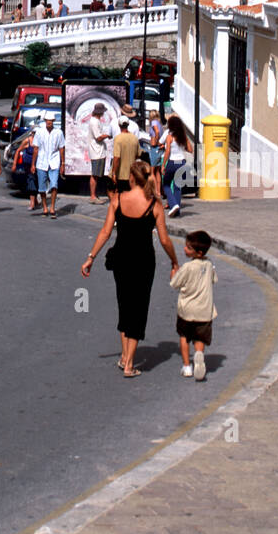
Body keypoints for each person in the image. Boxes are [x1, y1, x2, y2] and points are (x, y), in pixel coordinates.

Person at [81, 160, 180, 377]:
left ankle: (125, 357)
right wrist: (174, 261)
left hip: (121, 259)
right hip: (144, 261)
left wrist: (91, 257)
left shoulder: (117, 199)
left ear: (132, 178)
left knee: (124, 305)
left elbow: (105, 233)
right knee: (138, 308)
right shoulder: (154, 205)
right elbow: (164, 240)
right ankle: (129, 365)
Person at [170, 230, 217, 380]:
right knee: (200, 338)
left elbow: (175, 283)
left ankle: (186, 366)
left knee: (184, 337)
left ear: (197, 252)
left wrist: (174, 273)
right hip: (204, 310)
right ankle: (199, 355)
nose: (185, 249)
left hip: (187, 310)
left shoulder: (187, 267)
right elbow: (214, 280)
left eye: (188, 248)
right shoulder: (209, 265)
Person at [31, 112, 65, 218]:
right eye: (47, 120)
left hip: (54, 162)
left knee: (54, 185)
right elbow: (36, 148)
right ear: (45, 121)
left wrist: (63, 163)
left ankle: (52, 207)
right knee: (42, 187)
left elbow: (61, 148)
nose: (49, 122)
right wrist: (33, 164)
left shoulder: (58, 133)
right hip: (41, 162)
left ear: (53, 121)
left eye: (51, 120)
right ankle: (45, 207)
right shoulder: (40, 132)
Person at [161, 113, 194, 217]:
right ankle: (177, 210)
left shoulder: (169, 137)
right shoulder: (183, 137)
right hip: (182, 162)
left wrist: (163, 165)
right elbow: (190, 150)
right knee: (177, 187)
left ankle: (173, 204)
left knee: (166, 184)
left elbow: (167, 152)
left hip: (172, 162)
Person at [86, 102, 111, 202]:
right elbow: (98, 137)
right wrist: (107, 135)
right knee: (95, 174)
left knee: (96, 174)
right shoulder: (94, 122)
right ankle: (93, 196)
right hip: (96, 151)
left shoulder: (95, 121)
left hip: (98, 150)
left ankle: (94, 195)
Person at [113, 120, 140, 194]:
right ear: (128, 125)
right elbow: (138, 154)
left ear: (119, 125)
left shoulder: (118, 138)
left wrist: (113, 173)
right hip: (131, 173)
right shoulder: (134, 138)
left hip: (121, 174)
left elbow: (116, 158)